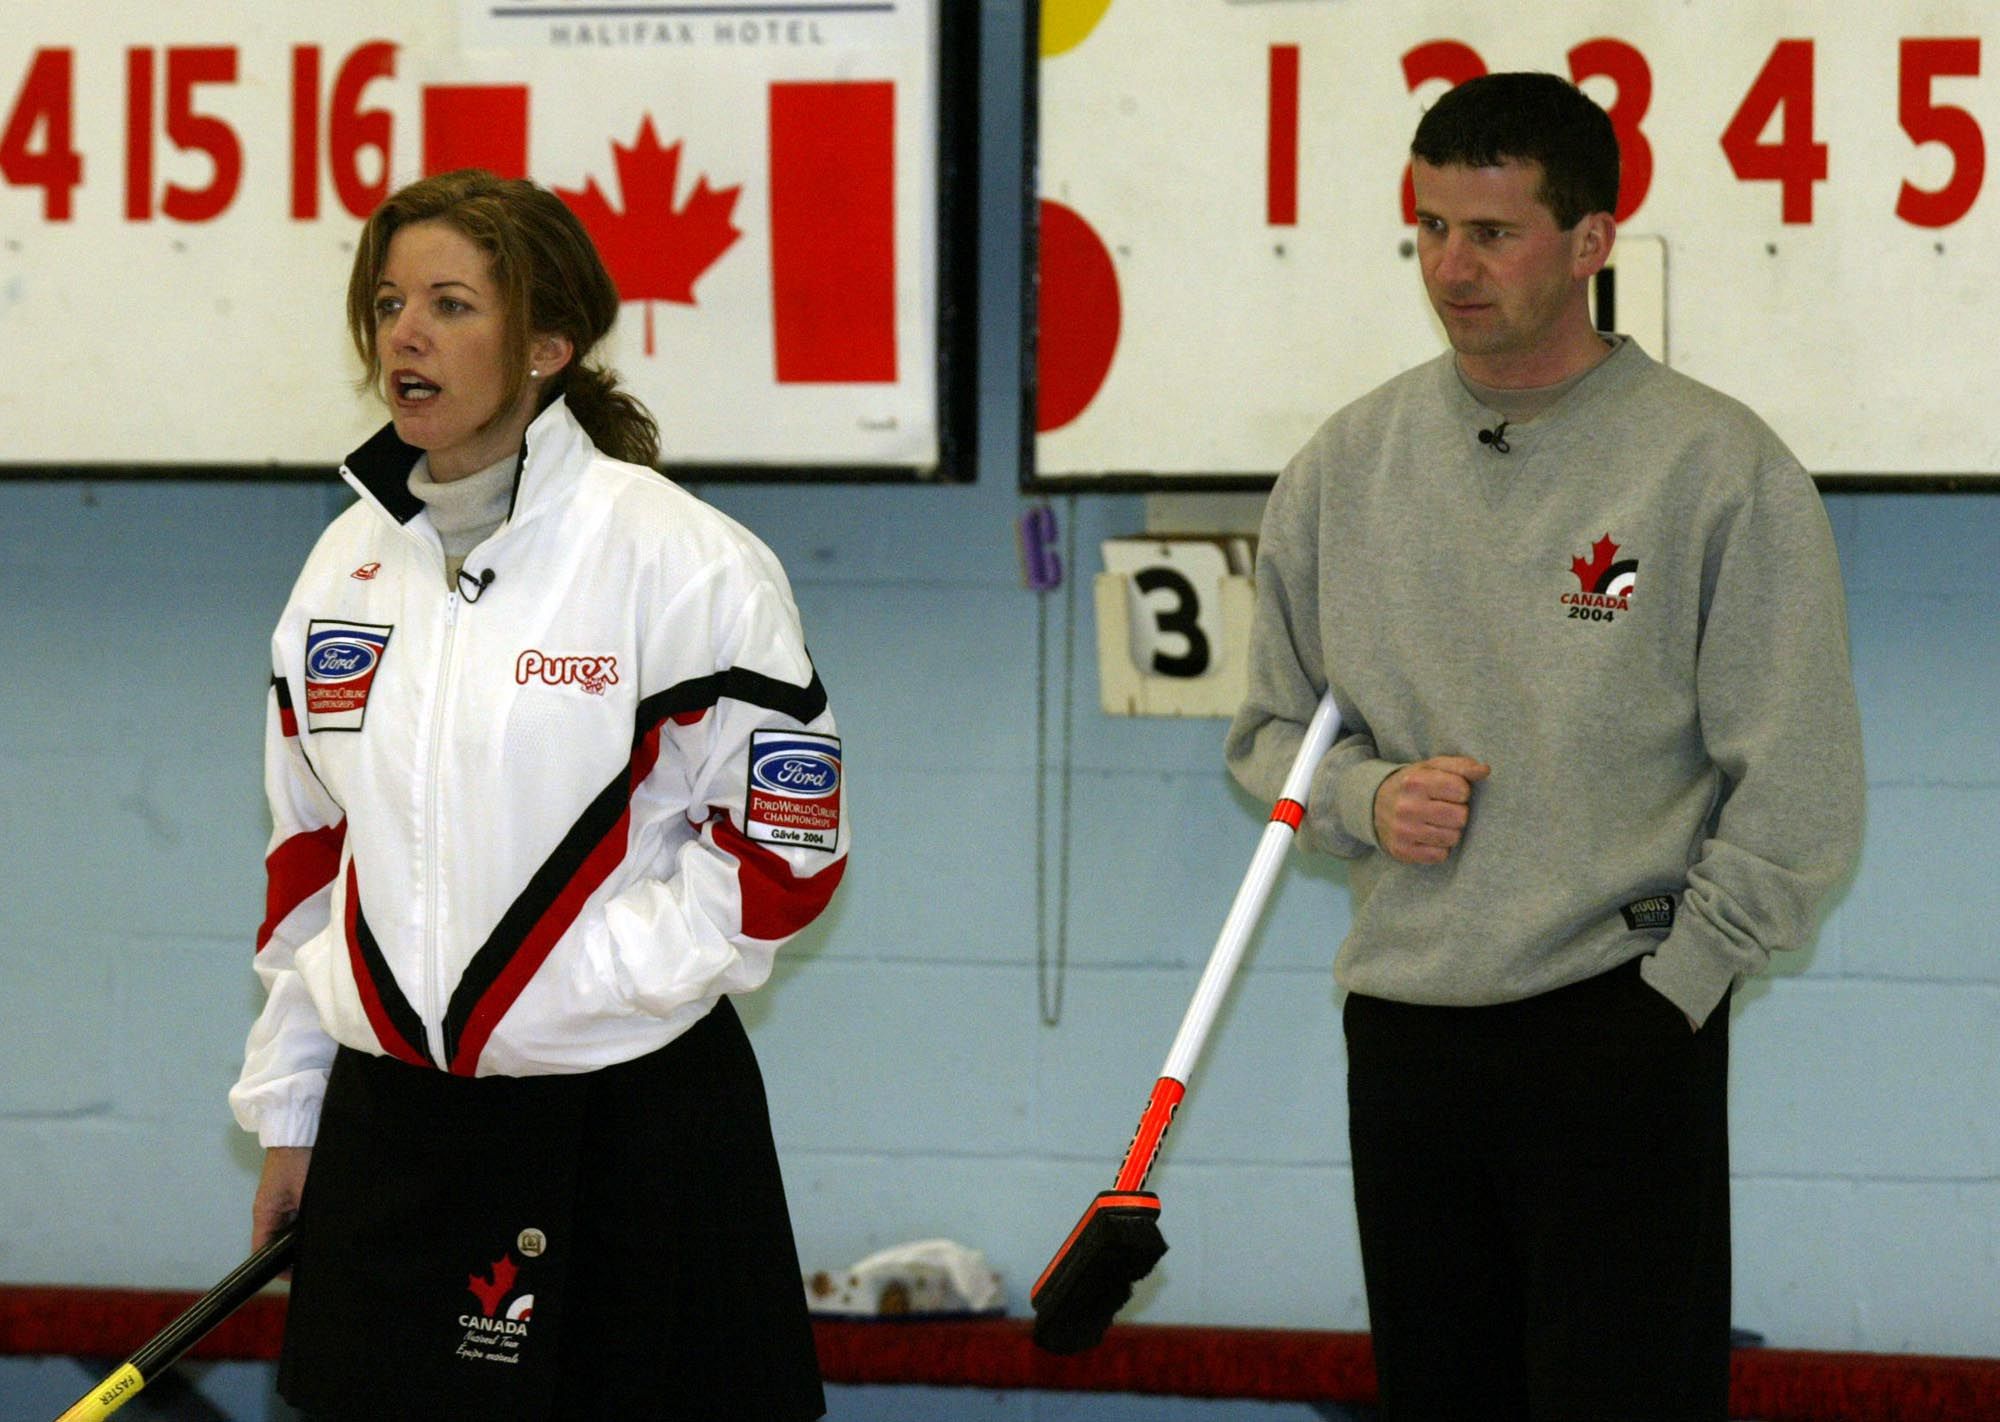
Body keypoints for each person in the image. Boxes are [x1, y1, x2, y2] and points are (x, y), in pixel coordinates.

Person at [1225, 73, 1864, 1421]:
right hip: (1405, 1030)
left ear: (1591, 241)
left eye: (1494, 232)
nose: (1451, 266)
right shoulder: (1345, 465)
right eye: (1429, 227)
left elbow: (1800, 794)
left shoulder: (1717, 468)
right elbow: (1269, 732)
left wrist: (1673, 990)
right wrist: (1363, 793)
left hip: (1617, 1021)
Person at [229, 169, 846, 1420]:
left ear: (549, 344)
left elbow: (787, 850)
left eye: (452, 304)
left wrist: (598, 984)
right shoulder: (343, 566)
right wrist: (294, 1106)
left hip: (627, 1125)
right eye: (390, 300)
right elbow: (311, 863)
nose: (405, 332)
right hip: (392, 1131)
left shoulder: (681, 558)